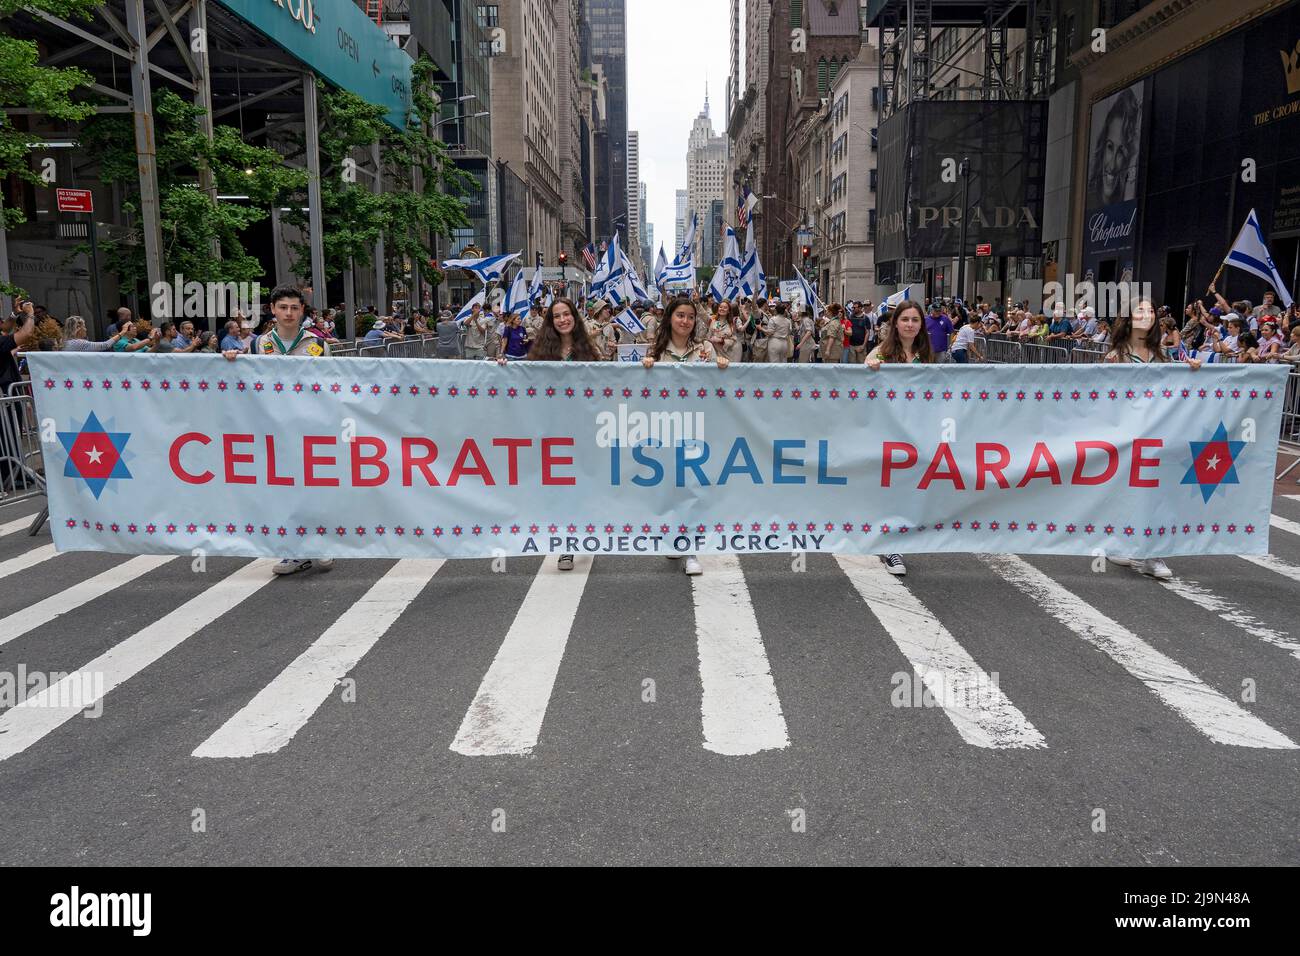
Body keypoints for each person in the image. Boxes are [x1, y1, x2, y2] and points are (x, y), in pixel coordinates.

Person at [223, 285, 332, 575]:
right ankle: (295, 551)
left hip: (311, 425)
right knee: (283, 488)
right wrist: (233, 361)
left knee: (314, 485)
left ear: (302, 311)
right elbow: (248, 375)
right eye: (283, 307)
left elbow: (335, 382)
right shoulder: (261, 344)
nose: (288, 313)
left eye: (294, 308)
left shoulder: (317, 344)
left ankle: (320, 542)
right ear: (272, 309)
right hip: (274, 427)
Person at [1103, 298, 1200, 579]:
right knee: (1126, 490)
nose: (1147, 316)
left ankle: (1151, 554)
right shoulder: (1116, 356)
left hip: (1157, 436)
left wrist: (1191, 371)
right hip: (1125, 436)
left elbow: (1173, 387)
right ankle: (1118, 539)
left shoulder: (1162, 355)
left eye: (1151, 311)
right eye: (1140, 311)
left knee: (1156, 491)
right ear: (1129, 318)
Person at [640, 296, 729, 576]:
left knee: (691, 485)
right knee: (669, 487)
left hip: (696, 426)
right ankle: (672, 538)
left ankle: (690, 548)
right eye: (680, 315)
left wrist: (722, 365)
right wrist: (643, 369)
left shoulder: (703, 349)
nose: (685, 321)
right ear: (670, 318)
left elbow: (717, 383)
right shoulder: (655, 351)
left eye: (690, 317)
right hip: (664, 427)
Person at [864, 301, 934, 576]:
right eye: (904, 319)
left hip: (917, 430)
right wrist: (870, 368)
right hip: (887, 430)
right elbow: (863, 385)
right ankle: (891, 545)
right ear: (895, 323)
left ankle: (899, 536)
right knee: (890, 486)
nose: (909, 325)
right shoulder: (882, 353)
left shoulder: (925, 354)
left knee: (910, 486)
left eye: (915, 320)